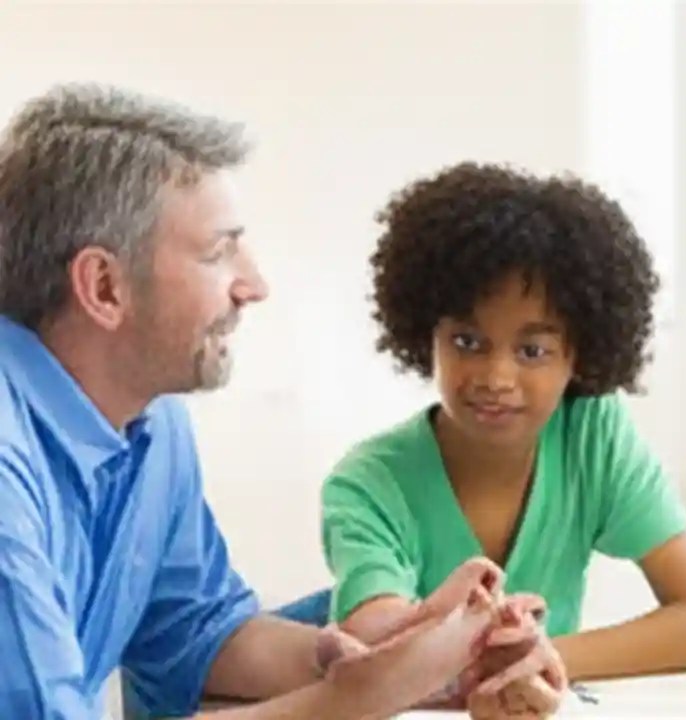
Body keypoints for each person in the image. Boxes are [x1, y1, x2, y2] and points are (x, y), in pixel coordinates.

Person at [0, 83, 558, 720]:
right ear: (104, 286)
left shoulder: (151, 422)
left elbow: (198, 634)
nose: (254, 285)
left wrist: (422, 659)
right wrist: (354, 699)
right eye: (218, 253)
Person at [321, 162, 686, 682]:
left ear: (578, 355)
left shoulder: (592, 435)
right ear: (425, 335)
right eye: (468, 342)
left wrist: (537, 660)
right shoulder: (369, 481)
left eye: (533, 350)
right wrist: (501, 665)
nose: (497, 376)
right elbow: (372, 637)